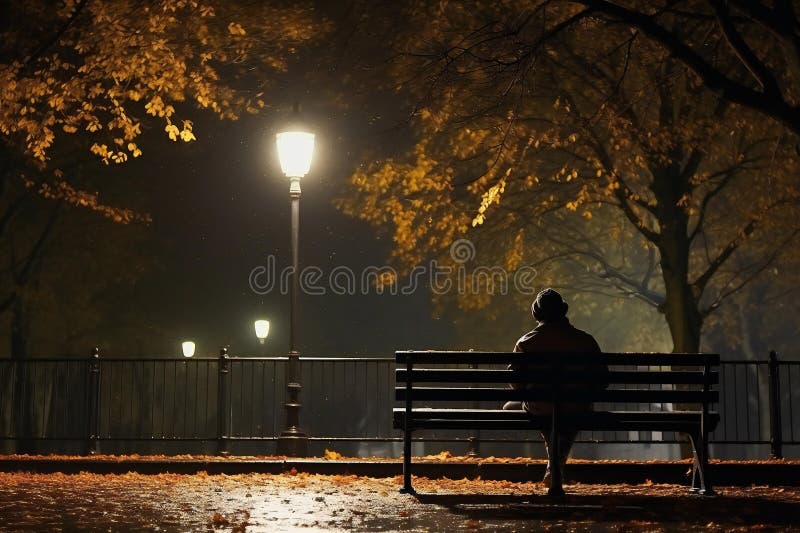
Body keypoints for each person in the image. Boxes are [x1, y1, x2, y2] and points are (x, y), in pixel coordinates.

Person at [503, 288, 607, 484]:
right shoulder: (584, 340)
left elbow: (516, 382)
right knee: (569, 414)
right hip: (575, 405)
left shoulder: (526, 342)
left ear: (537, 313)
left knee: (525, 408)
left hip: (541, 407)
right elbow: (602, 379)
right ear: (563, 311)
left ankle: (554, 468)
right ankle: (556, 468)